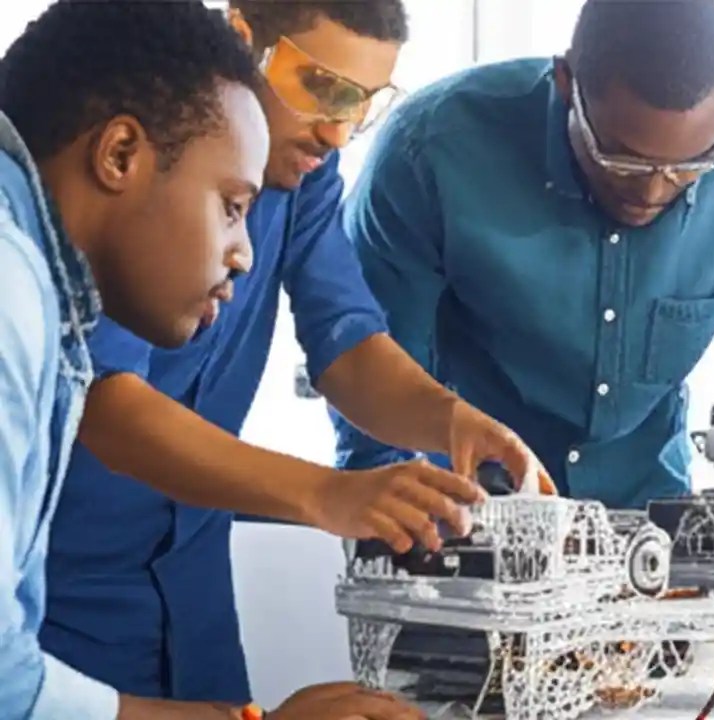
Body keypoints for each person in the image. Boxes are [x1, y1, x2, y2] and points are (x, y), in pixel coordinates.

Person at [39, 0, 549, 708]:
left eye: (363, 105)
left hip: (194, 597)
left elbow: (346, 340)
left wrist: (450, 419)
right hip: (66, 597)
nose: (337, 132)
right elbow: (109, 404)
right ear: (243, 38)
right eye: (324, 90)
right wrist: (328, 494)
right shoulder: (134, 190)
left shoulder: (305, 176)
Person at [334, 0, 714, 510]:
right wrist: (394, 543)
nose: (652, 193)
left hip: (651, 525)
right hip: (469, 520)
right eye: (622, 160)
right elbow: (373, 373)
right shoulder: (428, 154)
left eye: (689, 168)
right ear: (565, 84)